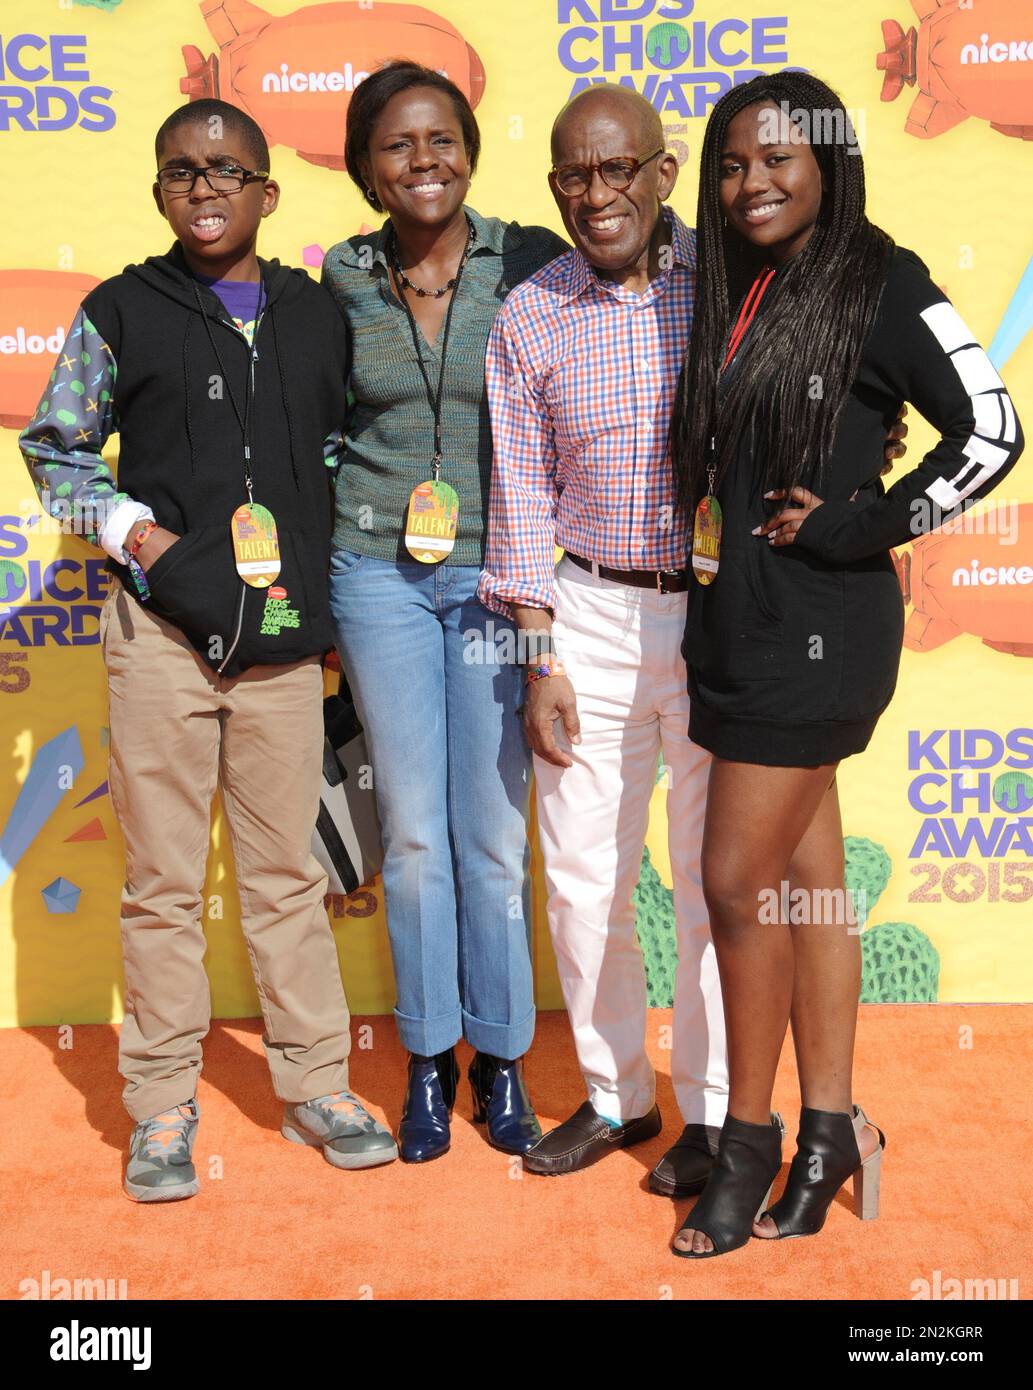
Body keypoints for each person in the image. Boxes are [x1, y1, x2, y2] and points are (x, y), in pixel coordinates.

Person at [478, 83, 906, 1185]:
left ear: (666, 175)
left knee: (721, 880)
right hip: (586, 614)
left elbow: (843, 382)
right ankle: (620, 1098)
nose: (597, 194)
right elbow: (519, 498)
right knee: (580, 879)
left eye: (619, 169)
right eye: (574, 174)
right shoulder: (528, 316)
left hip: (727, 614)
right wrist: (538, 650)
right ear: (555, 189)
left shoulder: (730, 281)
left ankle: (721, 1115)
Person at [668, 72, 1023, 1258]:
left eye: (777, 159)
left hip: (817, 635)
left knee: (732, 884)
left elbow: (992, 424)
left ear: (829, 162)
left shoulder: (881, 278)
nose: (751, 181)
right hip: (737, 623)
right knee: (811, 888)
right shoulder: (735, 282)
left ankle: (748, 1139)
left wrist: (863, 521)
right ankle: (832, 1134)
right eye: (729, 164)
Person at [19, 98, 398, 1202]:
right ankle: (163, 1108)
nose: (204, 188)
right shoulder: (118, 311)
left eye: (227, 170)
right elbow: (58, 448)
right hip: (161, 636)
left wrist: (334, 600)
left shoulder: (316, 314)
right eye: (182, 171)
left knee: (285, 877)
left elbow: (348, 456)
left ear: (266, 192)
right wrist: (136, 534)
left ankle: (318, 1086)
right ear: (158, 191)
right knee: (162, 885)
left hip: (280, 643)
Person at [320, 62, 568, 1163]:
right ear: (364, 167)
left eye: (441, 140)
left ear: (471, 147)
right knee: (414, 836)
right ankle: (426, 1058)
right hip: (374, 574)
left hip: (495, 575)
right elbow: (313, 418)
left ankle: (501, 1058)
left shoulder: (530, 262)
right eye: (397, 146)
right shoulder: (341, 275)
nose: (423, 161)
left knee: (490, 835)